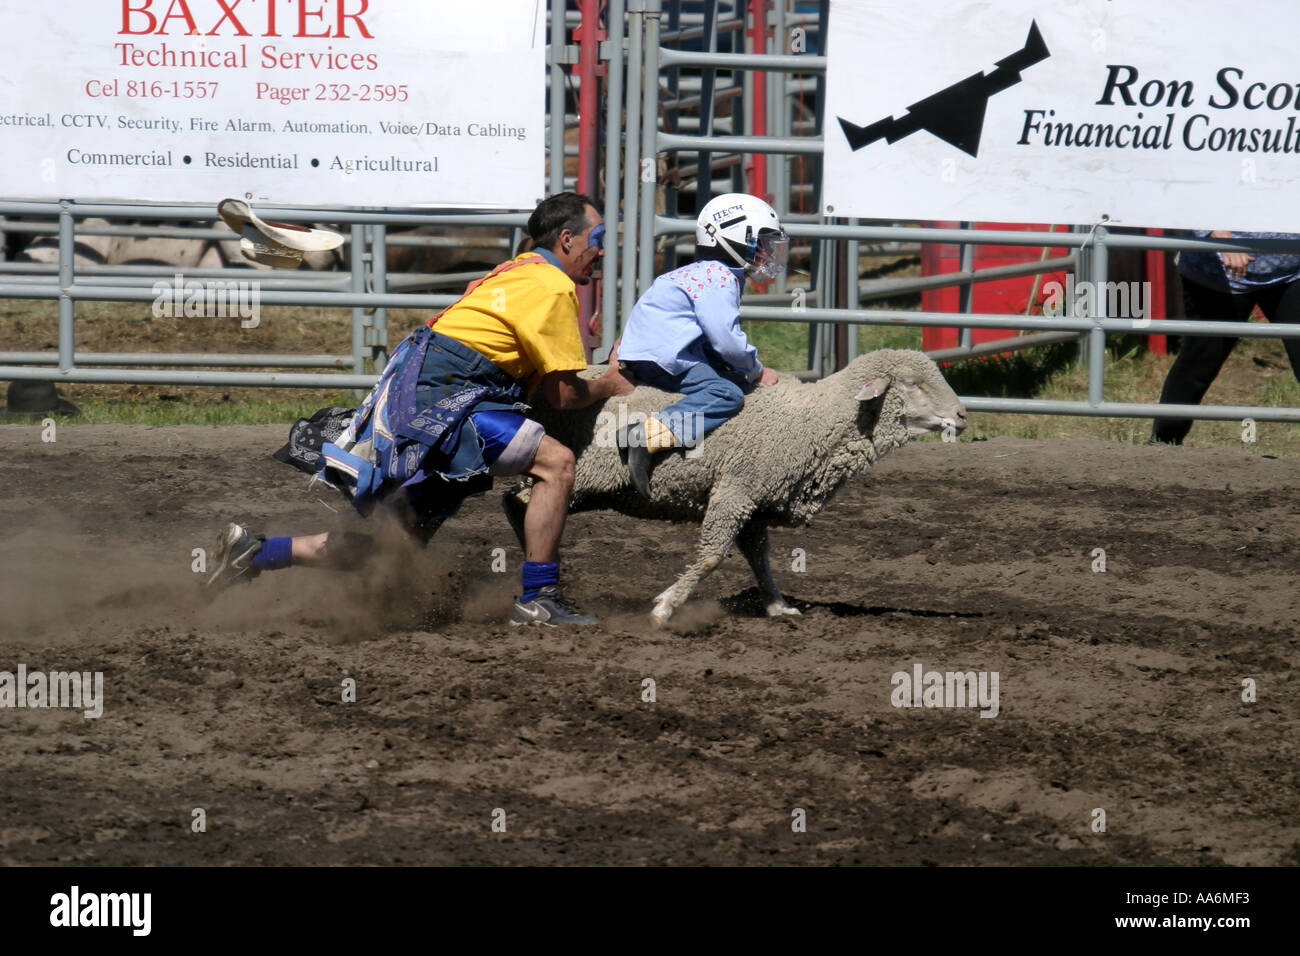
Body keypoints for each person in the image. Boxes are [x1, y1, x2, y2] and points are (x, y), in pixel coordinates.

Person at [206, 192, 633, 626]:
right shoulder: (552, 285)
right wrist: (610, 383)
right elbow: (563, 397)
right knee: (555, 465)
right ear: (566, 239)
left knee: (397, 546)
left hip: (427, 391)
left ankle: (258, 552)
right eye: (596, 238)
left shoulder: (516, 271)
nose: (599, 249)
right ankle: (540, 598)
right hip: (451, 396)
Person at [616, 193, 786, 497]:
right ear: (734, 238)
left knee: (730, 377)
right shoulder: (719, 277)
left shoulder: (705, 272)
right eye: (761, 243)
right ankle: (644, 437)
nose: (766, 253)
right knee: (727, 393)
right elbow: (726, 340)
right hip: (664, 356)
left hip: (656, 350)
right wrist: (756, 371)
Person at [1152, 230, 1300, 444]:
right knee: (1200, 361)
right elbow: (1186, 198)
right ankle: (1163, 444)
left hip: (1290, 271)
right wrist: (1218, 234)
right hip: (1215, 275)